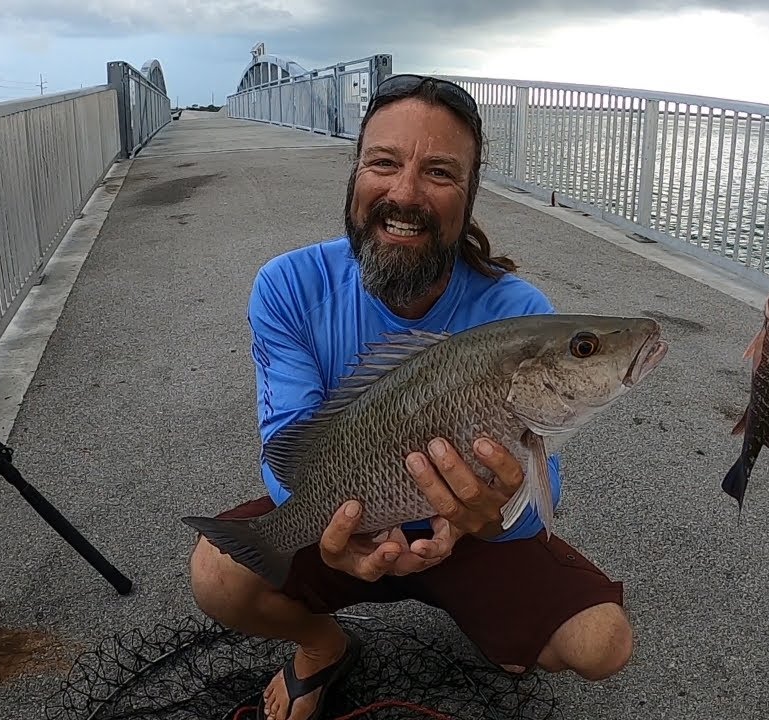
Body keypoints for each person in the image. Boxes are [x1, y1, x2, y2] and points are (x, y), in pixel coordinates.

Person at [188, 74, 632, 720]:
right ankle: (322, 644)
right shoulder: (287, 285)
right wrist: (338, 532)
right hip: (342, 517)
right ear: (355, 173)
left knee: (602, 643)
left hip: (471, 535)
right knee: (217, 575)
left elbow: (545, 484)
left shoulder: (518, 310)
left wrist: (489, 516)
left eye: (439, 173)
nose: (404, 193)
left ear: (469, 197)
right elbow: (287, 452)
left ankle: (488, 616)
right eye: (384, 163)